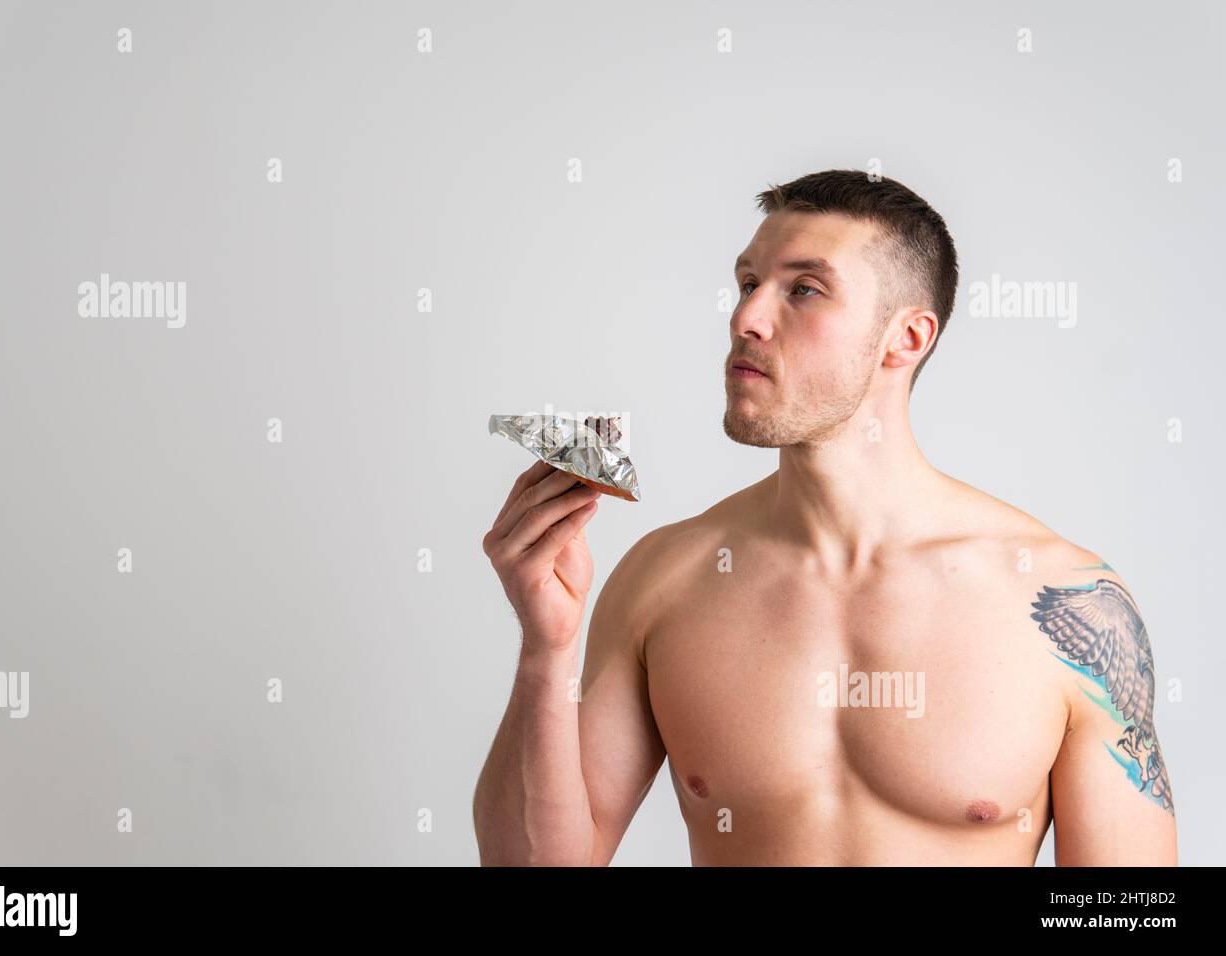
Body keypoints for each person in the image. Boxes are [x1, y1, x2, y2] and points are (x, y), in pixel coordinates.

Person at [473, 170, 1177, 866]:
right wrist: (546, 646)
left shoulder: (1066, 604)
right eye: (749, 283)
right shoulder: (666, 578)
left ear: (905, 339)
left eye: (803, 290)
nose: (746, 317)